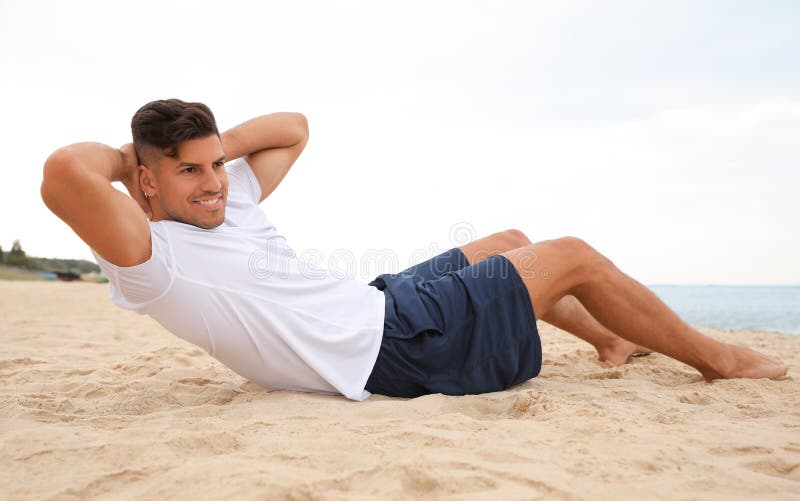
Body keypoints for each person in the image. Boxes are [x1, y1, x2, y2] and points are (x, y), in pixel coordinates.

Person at [40, 99, 788, 401]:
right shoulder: (152, 255)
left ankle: (612, 340)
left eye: (213, 166)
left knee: (511, 242)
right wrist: (132, 159)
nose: (213, 185)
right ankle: (721, 359)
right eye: (188, 171)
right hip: (389, 348)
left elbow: (294, 125)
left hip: (379, 304)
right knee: (574, 255)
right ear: (144, 181)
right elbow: (66, 174)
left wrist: (206, 151)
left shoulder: (225, 201)